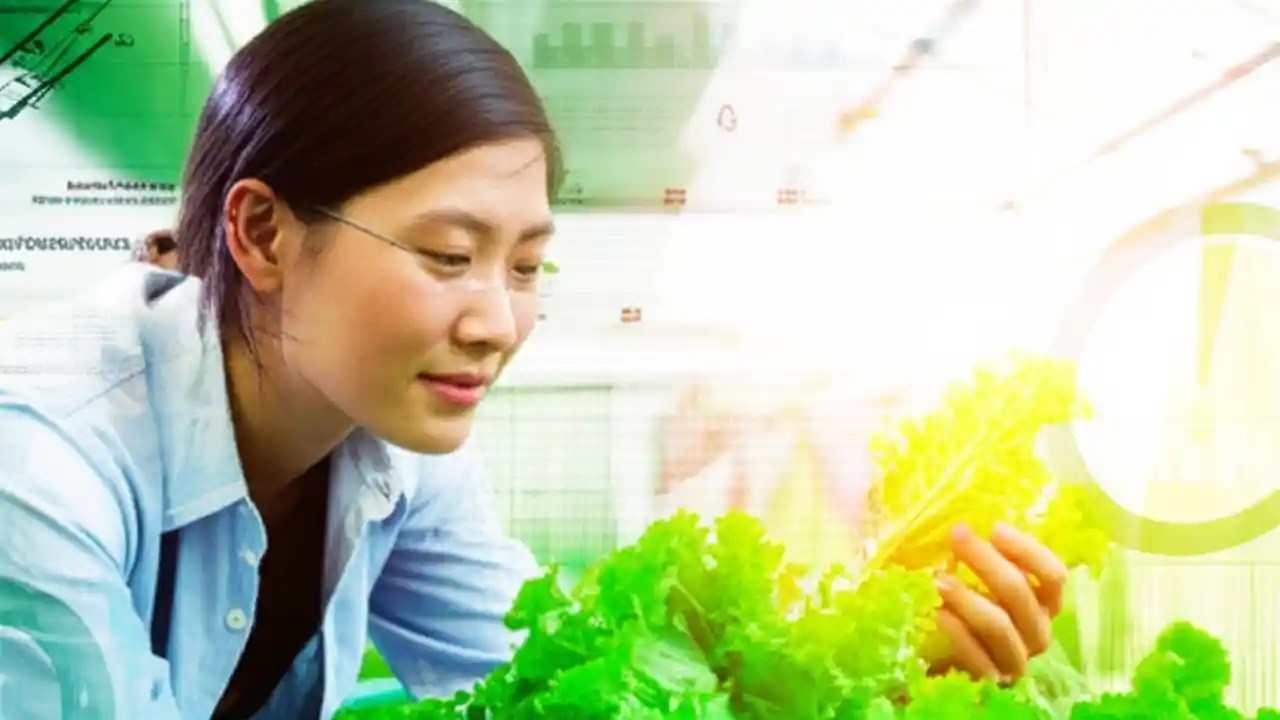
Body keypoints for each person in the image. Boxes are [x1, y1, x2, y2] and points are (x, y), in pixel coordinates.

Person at [0, 1, 1067, 718]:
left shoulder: (395, 452)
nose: (498, 321)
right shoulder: (37, 466)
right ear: (265, 234)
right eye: (449, 255)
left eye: (525, 266)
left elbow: (552, 684)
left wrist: (865, 665)